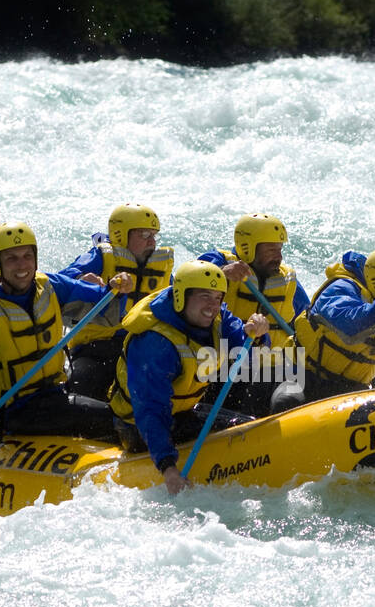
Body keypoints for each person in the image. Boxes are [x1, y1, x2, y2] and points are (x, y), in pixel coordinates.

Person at [0, 221, 135, 439]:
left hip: (54, 394)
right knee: (118, 422)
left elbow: (100, 298)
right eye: (12, 258)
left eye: (27, 256)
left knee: (119, 410)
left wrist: (117, 288)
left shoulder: (49, 284)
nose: (22, 265)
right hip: (16, 409)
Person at [109, 261, 269, 495]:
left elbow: (244, 343)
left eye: (217, 298)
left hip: (180, 412)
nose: (212, 306)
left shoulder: (217, 316)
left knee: (244, 423)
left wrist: (257, 333)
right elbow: (150, 411)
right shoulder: (155, 343)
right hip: (136, 425)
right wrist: (168, 468)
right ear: (181, 297)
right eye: (204, 296)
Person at [271, 248, 375, 412]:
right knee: (285, 403)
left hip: (349, 391)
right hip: (301, 378)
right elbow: (354, 327)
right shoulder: (339, 290)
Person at [197, 214, 310, 416]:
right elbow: (187, 283)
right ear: (248, 248)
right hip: (224, 368)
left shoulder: (286, 280)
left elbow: (309, 319)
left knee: (289, 399)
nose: (279, 256)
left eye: (280, 249)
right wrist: (221, 273)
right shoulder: (218, 262)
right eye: (271, 250)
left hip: (272, 369)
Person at [59, 204, 175, 401]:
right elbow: (61, 281)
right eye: (144, 234)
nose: (152, 242)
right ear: (120, 235)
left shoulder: (161, 267)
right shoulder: (100, 257)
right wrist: (80, 279)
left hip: (140, 351)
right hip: (95, 349)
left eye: (154, 235)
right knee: (80, 384)